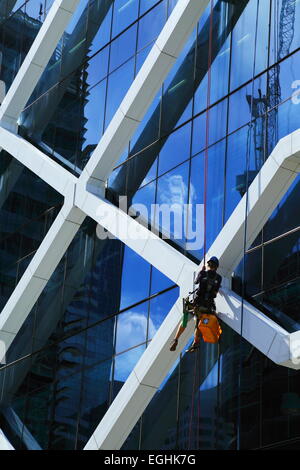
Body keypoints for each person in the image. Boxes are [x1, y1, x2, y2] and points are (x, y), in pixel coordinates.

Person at [169, 256, 222, 352]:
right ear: (216, 267)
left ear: (208, 264)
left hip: (196, 303)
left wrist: (201, 272)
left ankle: (175, 339)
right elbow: (215, 293)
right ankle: (195, 343)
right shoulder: (219, 278)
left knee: (185, 318)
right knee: (198, 324)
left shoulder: (203, 273)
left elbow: (196, 281)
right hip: (207, 306)